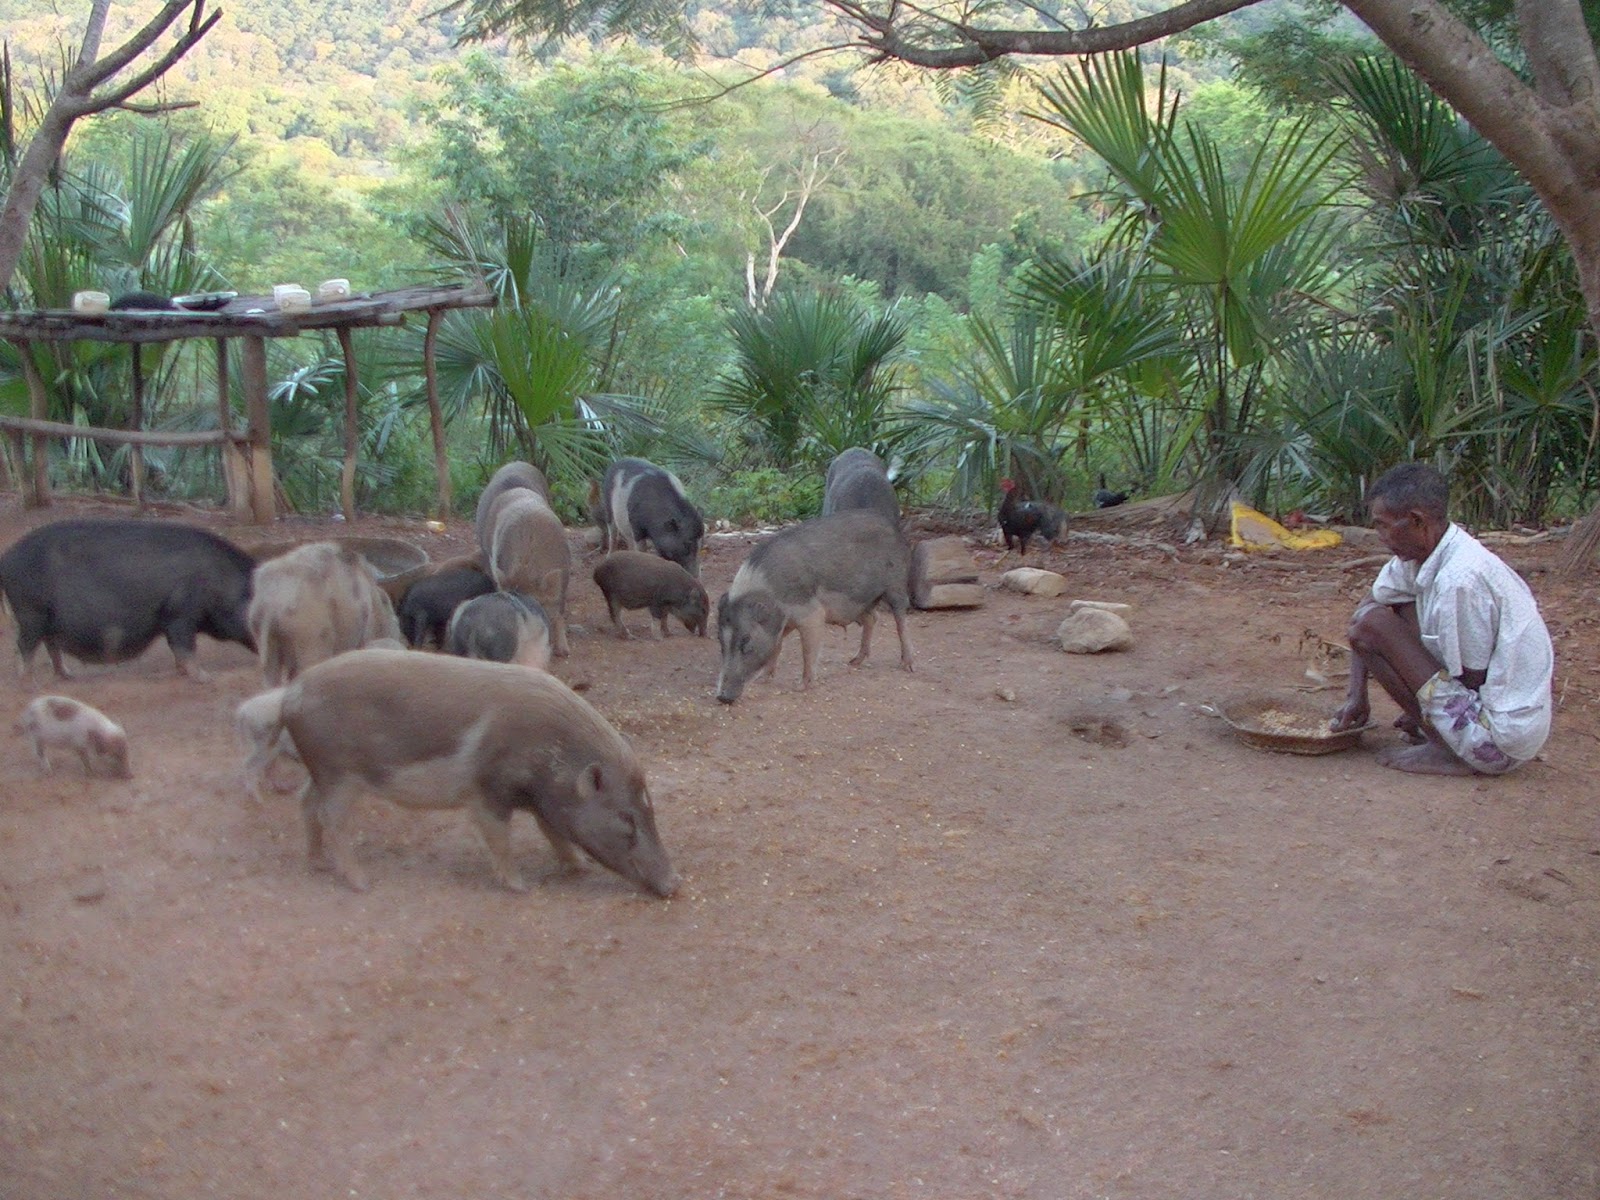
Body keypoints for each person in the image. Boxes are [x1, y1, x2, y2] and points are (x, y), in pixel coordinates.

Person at [1330, 463, 1553, 775]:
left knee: (1375, 625)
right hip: (1477, 715)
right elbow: (1366, 610)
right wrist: (1357, 696)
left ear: (1417, 521)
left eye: (1383, 526)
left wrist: (1419, 707)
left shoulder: (1460, 579)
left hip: (1498, 742)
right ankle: (1442, 737)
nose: (1379, 536)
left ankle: (1448, 749)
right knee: (1379, 616)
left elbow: (1473, 680)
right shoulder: (1422, 555)